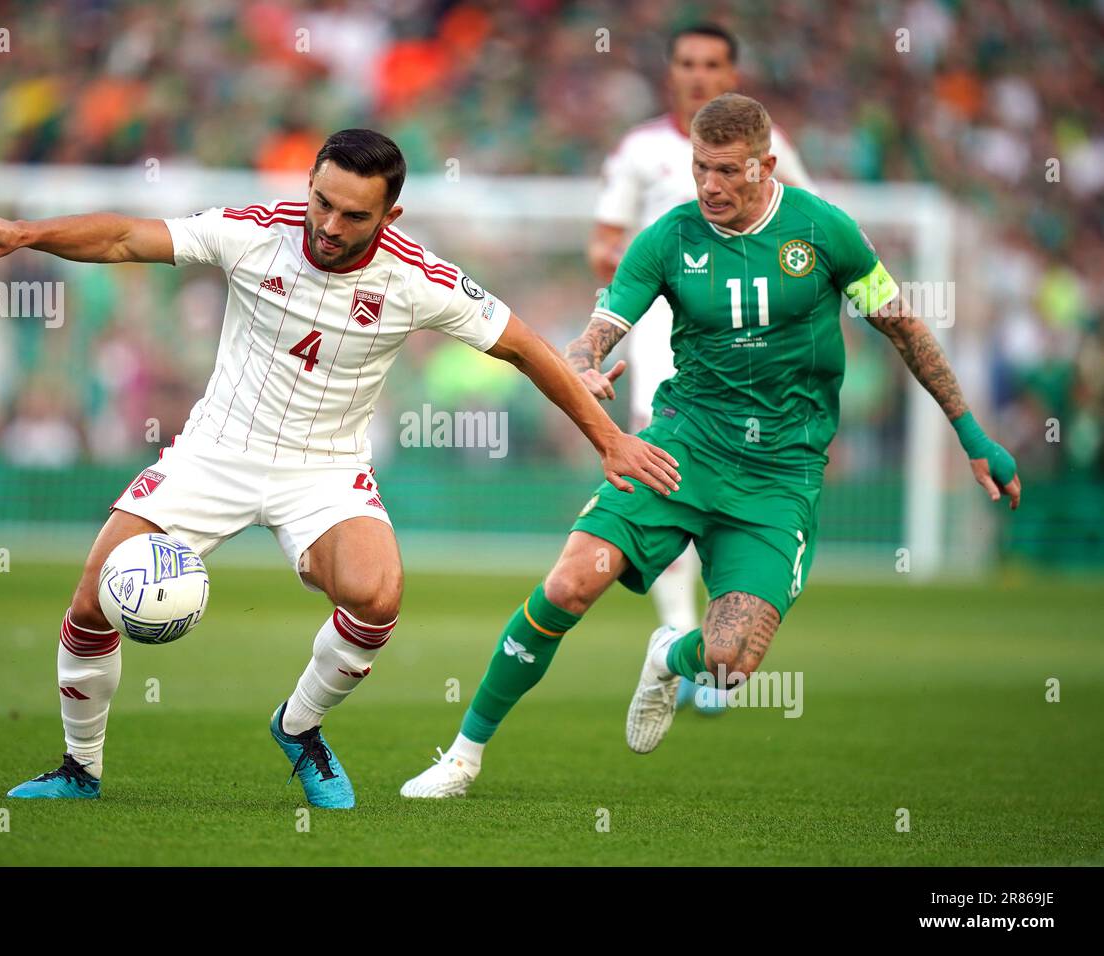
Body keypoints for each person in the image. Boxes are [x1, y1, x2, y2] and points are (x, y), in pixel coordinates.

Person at [0, 128, 677, 809]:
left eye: (353, 214)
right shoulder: (253, 231)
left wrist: (607, 438)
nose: (330, 225)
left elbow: (523, 345)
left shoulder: (416, 277)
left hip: (325, 469)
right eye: (322, 202)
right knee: (93, 601)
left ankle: (298, 728)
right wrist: (28, 234)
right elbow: (125, 236)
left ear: (389, 214)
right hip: (214, 452)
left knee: (378, 597)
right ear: (308, 184)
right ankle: (78, 769)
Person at [401, 94, 1019, 798]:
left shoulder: (825, 232)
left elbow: (904, 328)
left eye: (727, 171)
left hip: (781, 473)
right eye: (700, 168)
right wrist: (579, 360)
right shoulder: (669, 238)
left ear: (767, 165)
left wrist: (973, 434)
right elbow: (601, 326)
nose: (710, 187)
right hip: (683, 446)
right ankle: (462, 755)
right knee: (571, 583)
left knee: (728, 663)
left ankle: (670, 654)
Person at [588, 23, 815, 719]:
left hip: (747, 340)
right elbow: (604, 244)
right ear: (671, 73)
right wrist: (644, 276)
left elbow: (811, 231)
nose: (697, 75)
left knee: (735, 479)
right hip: (662, 325)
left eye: (711, 64)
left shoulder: (774, 155)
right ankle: (684, 639)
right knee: (664, 469)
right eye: (686, 63)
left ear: (732, 71)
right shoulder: (642, 150)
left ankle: (712, 630)